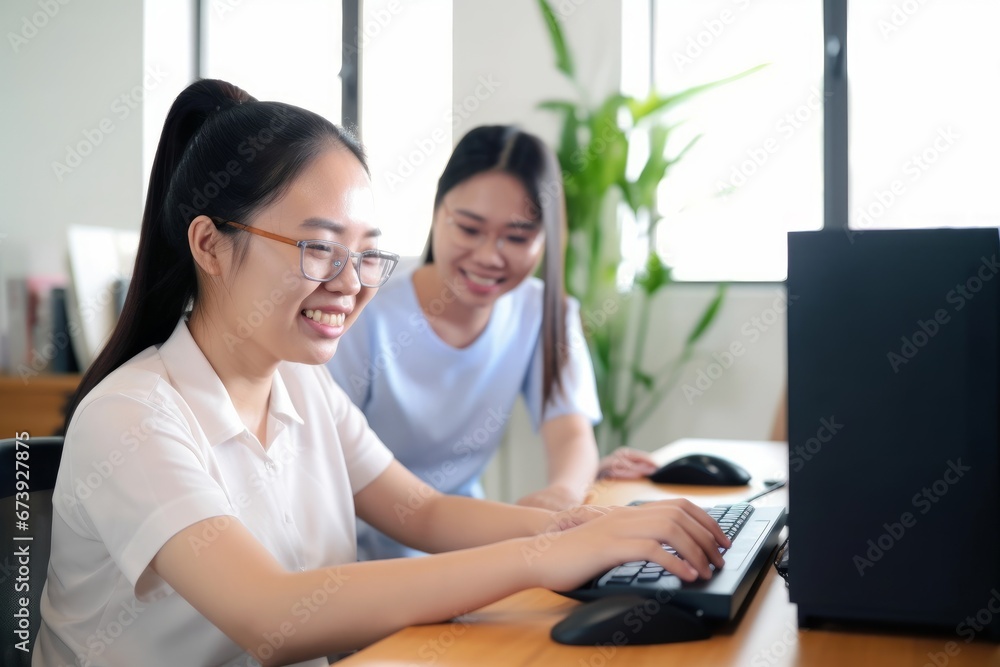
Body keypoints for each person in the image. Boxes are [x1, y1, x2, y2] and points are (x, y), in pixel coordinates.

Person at [34, 80, 728, 667]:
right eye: (318, 248)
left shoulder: (301, 385)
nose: (351, 283)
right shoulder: (133, 414)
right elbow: (271, 613)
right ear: (211, 245)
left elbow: (420, 510)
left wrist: (574, 530)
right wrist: (541, 557)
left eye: (366, 253)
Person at [328, 125, 656, 560]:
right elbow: (326, 464)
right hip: (354, 557)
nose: (488, 255)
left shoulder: (542, 311)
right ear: (437, 213)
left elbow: (571, 434)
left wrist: (560, 497)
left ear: (545, 239)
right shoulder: (364, 307)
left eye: (517, 237)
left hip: (467, 544)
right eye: (469, 228)